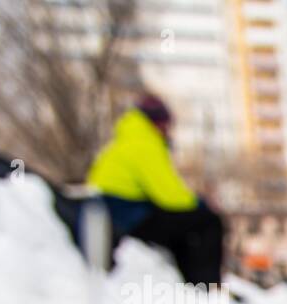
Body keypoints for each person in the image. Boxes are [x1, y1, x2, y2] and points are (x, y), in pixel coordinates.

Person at [86, 93, 226, 287]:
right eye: (166, 125)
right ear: (156, 123)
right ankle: (207, 285)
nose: (168, 131)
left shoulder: (125, 140)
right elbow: (169, 195)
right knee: (208, 221)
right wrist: (200, 203)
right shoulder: (145, 143)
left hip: (114, 213)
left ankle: (192, 285)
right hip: (127, 216)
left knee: (180, 226)